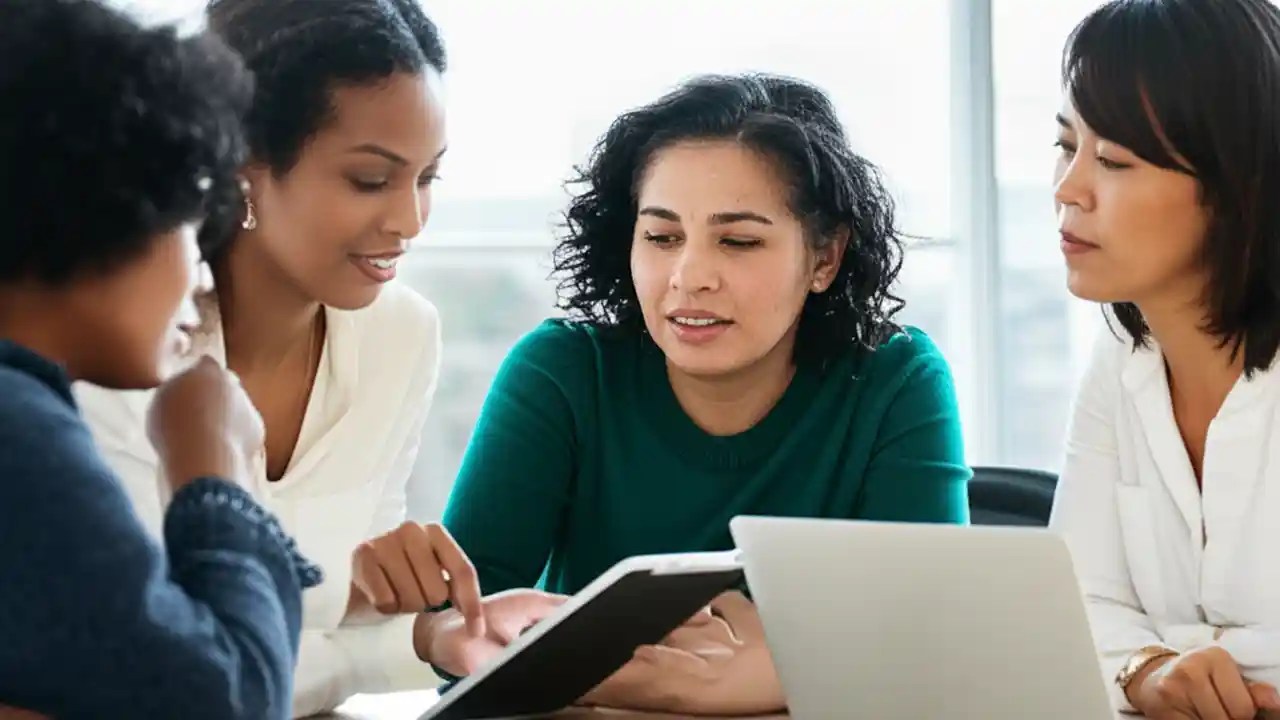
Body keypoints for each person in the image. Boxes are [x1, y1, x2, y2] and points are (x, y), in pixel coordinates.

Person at [75, 0, 562, 715]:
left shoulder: (399, 336)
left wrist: (433, 638)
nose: (409, 221)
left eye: (427, 178)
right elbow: (164, 672)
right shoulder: (120, 343)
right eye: (371, 180)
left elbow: (295, 642)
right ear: (242, 164)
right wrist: (364, 607)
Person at [442, 72, 971, 714]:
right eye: (662, 237)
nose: (688, 278)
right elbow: (461, 638)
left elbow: (929, 651)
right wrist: (769, 674)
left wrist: (608, 672)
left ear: (825, 258)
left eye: (738, 241)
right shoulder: (561, 373)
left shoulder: (897, 379)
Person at [0, 1, 321, 717]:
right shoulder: (17, 432)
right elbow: (229, 700)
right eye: (187, 220)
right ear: (103, 208)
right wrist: (209, 465)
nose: (202, 273)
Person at [1047, 1, 1280, 718]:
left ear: (1236, 185)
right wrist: (1147, 669)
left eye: (1114, 160)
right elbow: (1074, 599)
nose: (1068, 189)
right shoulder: (1121, 351)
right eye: (1066, 146)